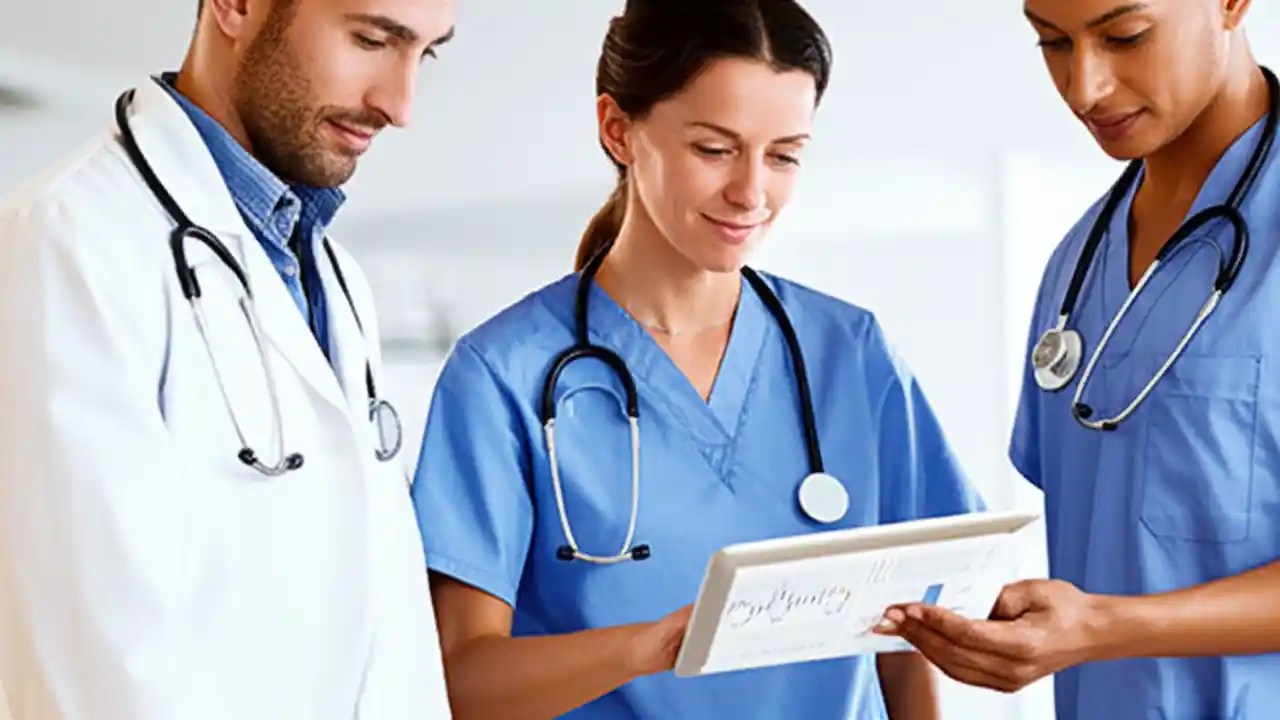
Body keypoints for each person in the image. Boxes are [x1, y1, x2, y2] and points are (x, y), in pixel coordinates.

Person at [409, 1, 983, 718]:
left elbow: (909, 641)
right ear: (618, 129)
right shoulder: (505, 375)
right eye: (714, 149)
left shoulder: (851, 354)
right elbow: (460, 682)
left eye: (784, 155)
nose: (750, 192)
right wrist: (659, 645)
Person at [0, 0, 455, 717]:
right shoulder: (69, 242)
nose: (399, 105)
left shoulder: (333, 278)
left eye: (425, 54)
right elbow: (97, 665)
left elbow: (387, 625)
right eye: (371, 39)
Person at [876, 1, 1280, 718]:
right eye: (1052, 42)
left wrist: (1103, 629)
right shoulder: (1076, 266)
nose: (1083, 87)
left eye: (1126, 36)